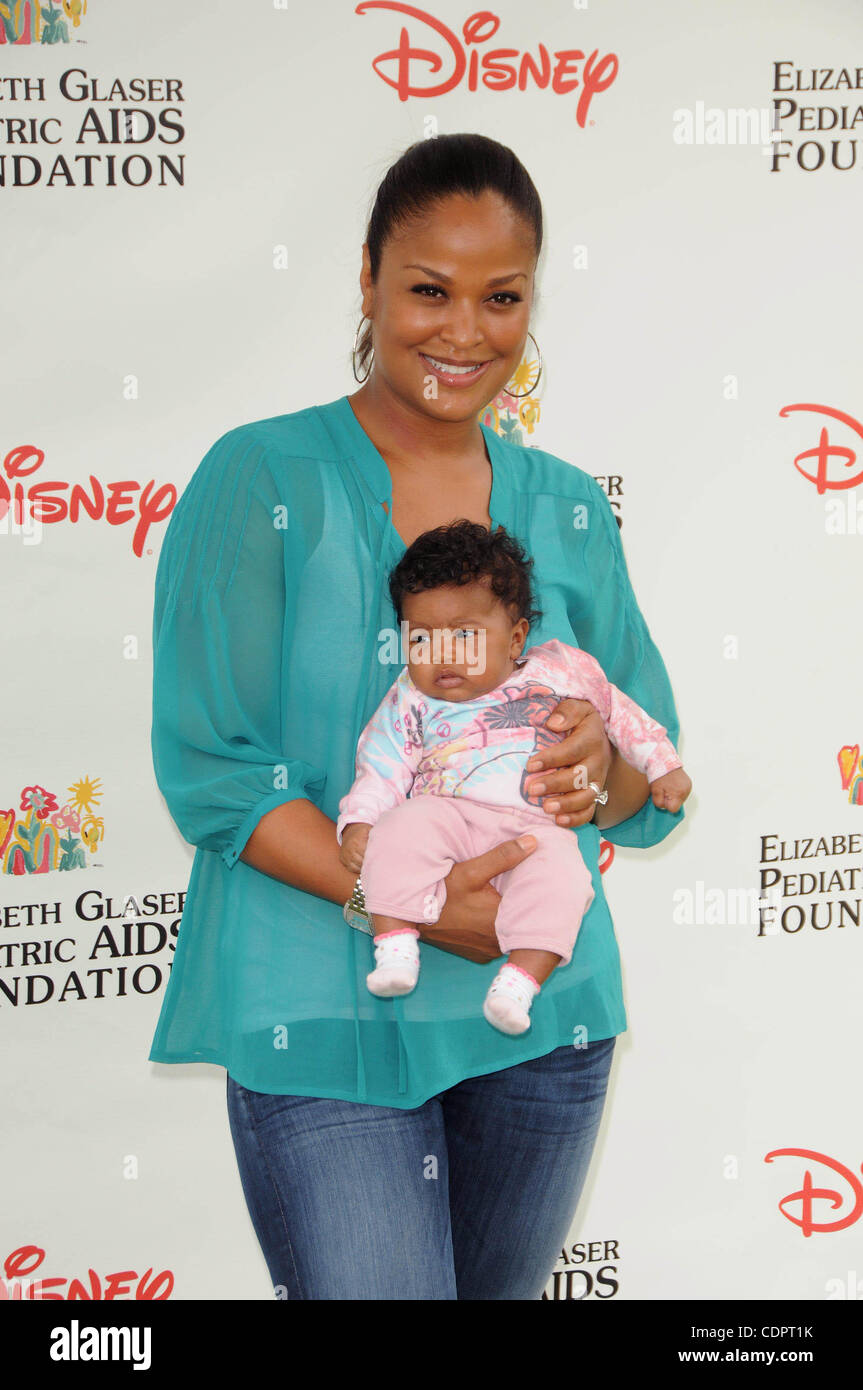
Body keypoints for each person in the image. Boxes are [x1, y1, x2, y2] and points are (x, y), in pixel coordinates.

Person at [148, 132, 688, 1300]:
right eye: (426, 290)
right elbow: (213, 769)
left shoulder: (570, 508)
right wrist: (410, 903)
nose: (462, 333)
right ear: (365, 279)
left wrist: (602, 778)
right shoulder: (262, 480)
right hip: (319, 1018)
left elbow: (646, 783)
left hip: (539, 1023)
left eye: (500, 297)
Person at [337, 520, 692, 1035]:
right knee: (402, 827)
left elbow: (621, 713)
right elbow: (381, 765)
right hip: (448, 816)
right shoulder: (409, 699)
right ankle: (394, 946)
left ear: (516, 637)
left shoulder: (560, 672)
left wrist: (664, 764)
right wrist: (360, 821)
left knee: (565, 881)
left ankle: (520, 982)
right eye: (421, 637)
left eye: (465, 635)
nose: (443, 654)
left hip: (536, 829)